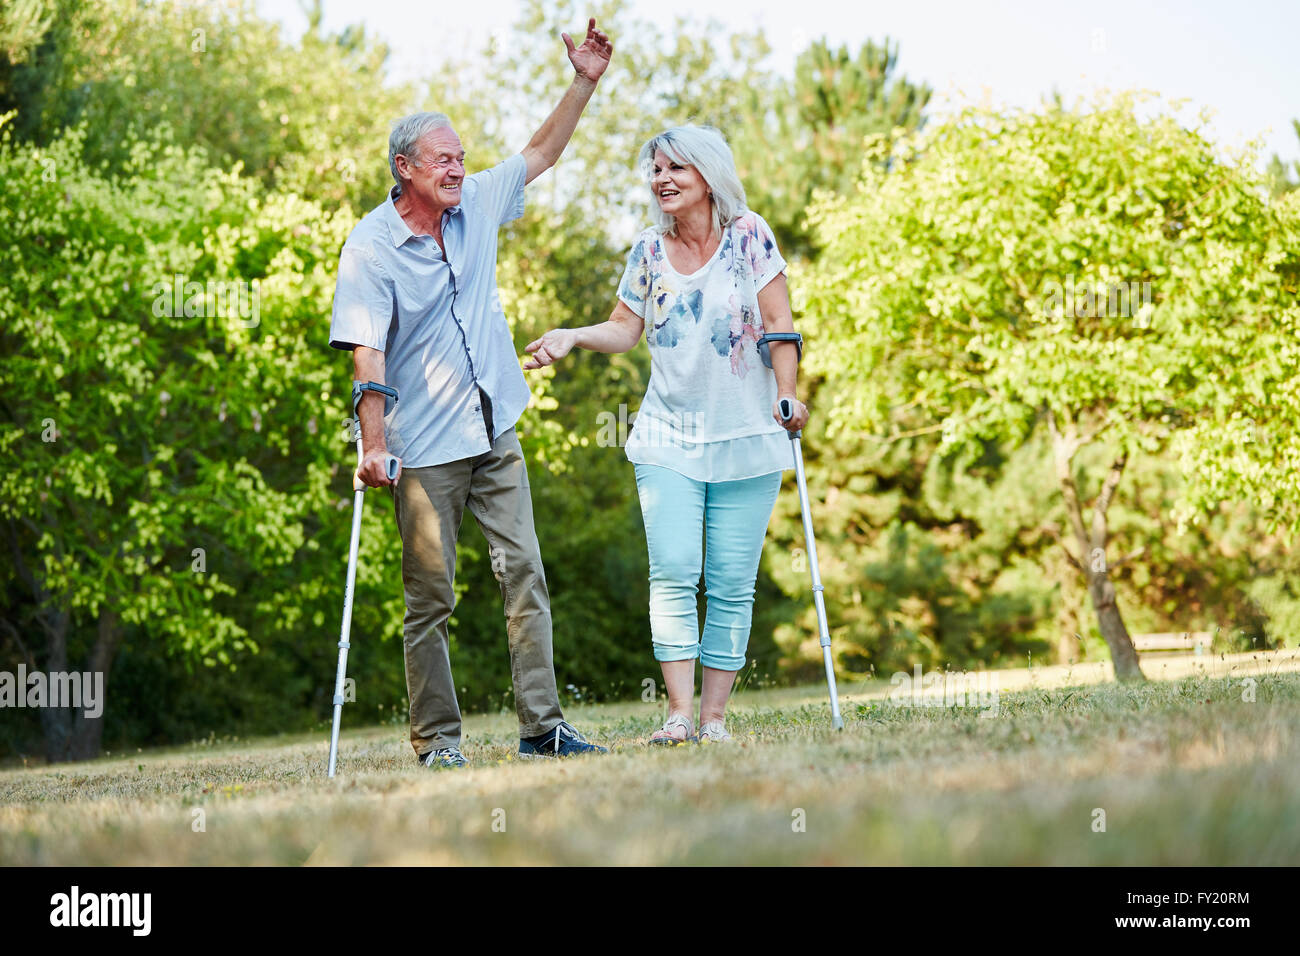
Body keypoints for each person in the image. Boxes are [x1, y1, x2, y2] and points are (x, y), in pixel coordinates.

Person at [328, 19, 614, 768]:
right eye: (443, 160)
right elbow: (367, 350)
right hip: (423, 449)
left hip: (496, 429)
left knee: (526, 575)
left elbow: (543, 151)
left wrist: (583, 81)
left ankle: (542, 729)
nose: (459, 169)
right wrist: (375, 443)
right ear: (405, 168)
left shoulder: (479, 202)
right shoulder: (371, 247)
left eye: (460, 158)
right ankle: (437, 744)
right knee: (431, 601)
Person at [523, 124, 808, 745]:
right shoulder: (648, 250)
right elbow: (625, 329)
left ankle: (714, 720)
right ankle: (678, 715)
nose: (663, 180)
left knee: (732, 581)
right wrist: (573, 337)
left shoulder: (750, 236)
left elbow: (779, 320)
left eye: (676, 168)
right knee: (675, 570)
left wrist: (787, 392)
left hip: (747, 430)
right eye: (656, 170)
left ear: (708, 175)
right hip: (668, 434)